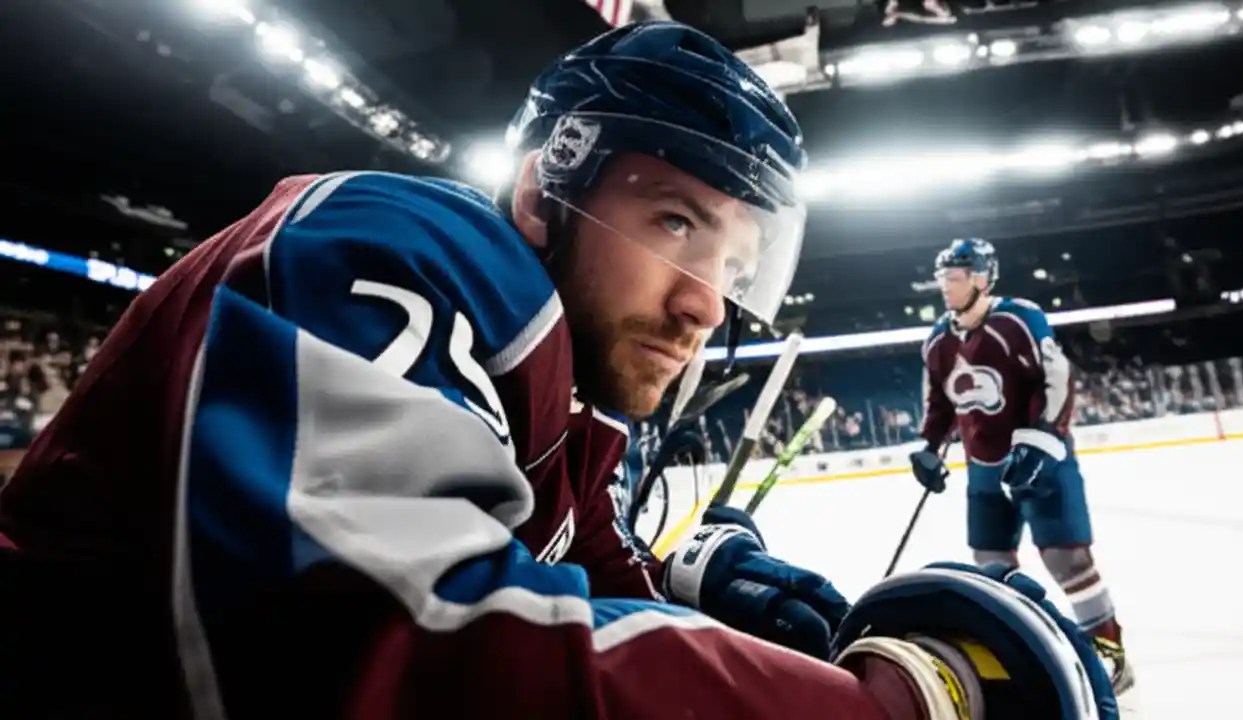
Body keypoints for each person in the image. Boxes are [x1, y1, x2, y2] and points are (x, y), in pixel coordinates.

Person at [0, 22, 1117, 719]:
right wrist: (889, 707)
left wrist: (691, 592)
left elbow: (578, 567)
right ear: (544, 192)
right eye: (676, 222)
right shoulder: (391, 241)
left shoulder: (559, 397)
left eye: (738, 263)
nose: (706, 300)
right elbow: (384, 650)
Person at [908, 238, 1135, 695]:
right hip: (983, 468)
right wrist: (929, 446)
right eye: (943, 279)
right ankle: (1020, 652)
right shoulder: (937, 341)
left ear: (981, 279)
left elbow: (1056, 377)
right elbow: (940, 403)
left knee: (1067, 558)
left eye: (954, 278)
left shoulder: (1017, 319)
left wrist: (1043, 436)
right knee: (992, 566)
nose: (946, 287)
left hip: (1040, 458)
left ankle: (1110, 652)